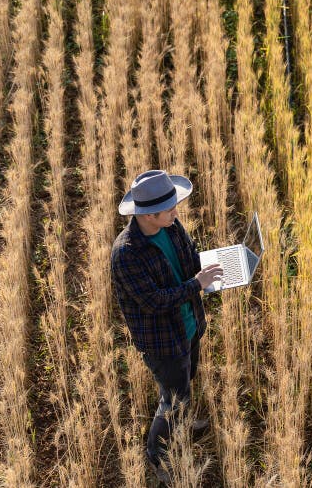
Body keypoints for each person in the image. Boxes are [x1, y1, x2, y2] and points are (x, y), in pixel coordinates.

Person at [110, 170, 223, 483]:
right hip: (163, 341)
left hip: (189, 325)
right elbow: (155, 302)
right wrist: (197, 284)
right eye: (171, 208)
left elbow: (188, 257)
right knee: (171, 400)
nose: (177, 212)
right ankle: (157, 457)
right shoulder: (126, 254)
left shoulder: (171, 226)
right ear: (149, 215)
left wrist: (217, 265)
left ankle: (184, 424)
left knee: (186, 382)